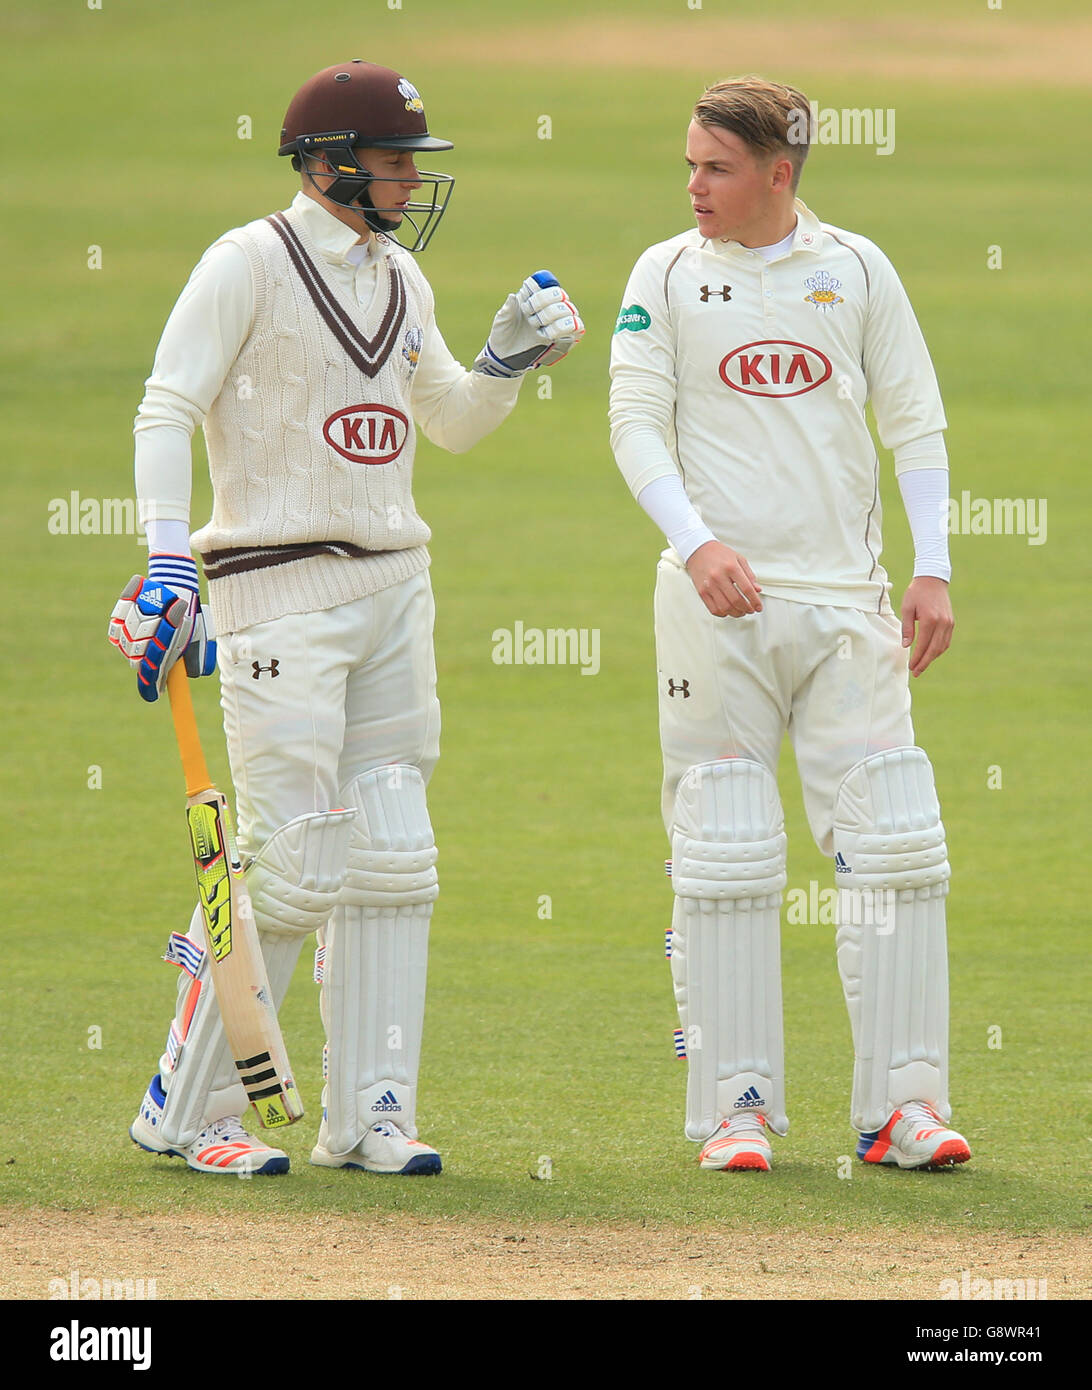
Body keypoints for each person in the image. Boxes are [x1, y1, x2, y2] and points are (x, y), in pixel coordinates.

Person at [108, 59, 583, 1176]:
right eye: (395, 159)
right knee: (293, 864)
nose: (413, 180)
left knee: (394, 855)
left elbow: (451, 423)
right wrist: (168, 565)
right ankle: (191, 1111)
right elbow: (165, 405)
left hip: (393, 588)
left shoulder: (401, 282)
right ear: (328, 166)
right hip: (276, 589)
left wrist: (508, 361)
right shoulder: (247, 263)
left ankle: (366, 1113)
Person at [609, 76, 970, 1173]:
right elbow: (634, 426)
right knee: (724, 844)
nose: (693, 187)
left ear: (780, 171)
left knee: (893, 841)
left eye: (716, 167)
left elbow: (916, 422)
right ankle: (738, 1103)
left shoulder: (855, 269)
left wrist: (934, 569)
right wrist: (697, 542)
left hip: (846, 606)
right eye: (689, 164)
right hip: (714, 606)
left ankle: (902, 1109)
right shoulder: (664, 275)